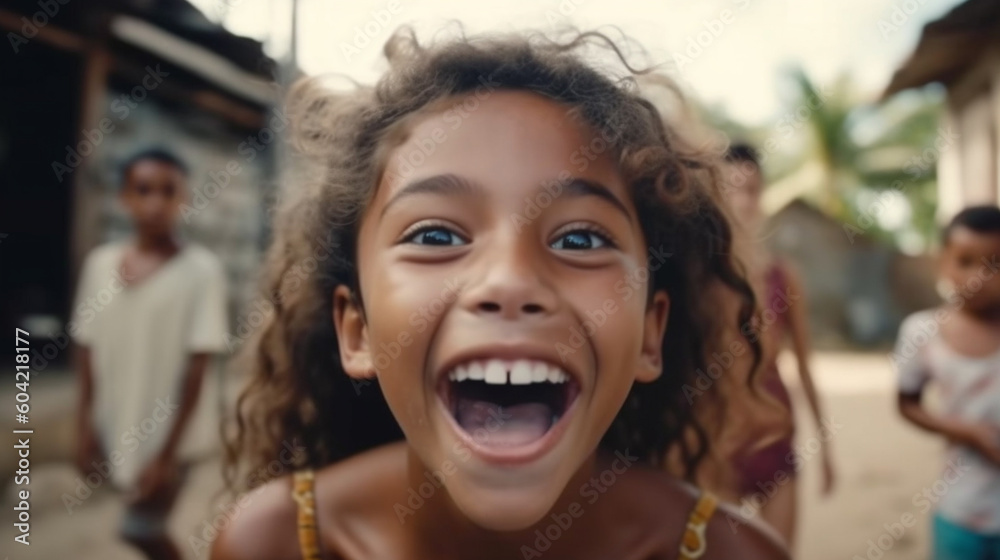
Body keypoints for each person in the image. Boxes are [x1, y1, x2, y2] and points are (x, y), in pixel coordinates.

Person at [213, 29, 789, 560]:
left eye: (580, 239)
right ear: (357, 331)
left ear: (648, 332)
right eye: (435, 236)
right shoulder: (276, 543)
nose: (510, 281)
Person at [71, 148, 229, 560]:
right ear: (124, 197)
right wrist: (85, 424)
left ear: (183, 199)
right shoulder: (100, 264)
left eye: (167, 191)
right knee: (139, 527)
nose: (155, 202)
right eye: (143, 190)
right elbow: (87, 349)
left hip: (173, 438)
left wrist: (166, 456)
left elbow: (197, 367)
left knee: (140, 530)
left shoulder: (201, 271)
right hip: (119, 424)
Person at [719, 143, 835, 546]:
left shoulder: (784, 277)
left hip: (775, 435)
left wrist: (825, 446)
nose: (743, 201)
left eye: (752, 190)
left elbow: (804, 366)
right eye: (732, 190)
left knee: (778, 552)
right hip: (720, 441)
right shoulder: (701, 277)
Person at [896, 205, 1000, 560]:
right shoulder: (922, 333)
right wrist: (968, 432)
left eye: (994, 264)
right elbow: (907, 403)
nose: (979, 277)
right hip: (960, 511)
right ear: (943, 263)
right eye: (966, 261)